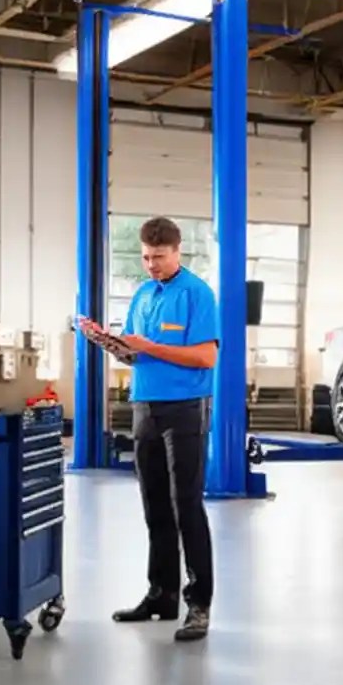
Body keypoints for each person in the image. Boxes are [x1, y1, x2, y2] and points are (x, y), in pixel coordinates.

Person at [98, 216, 219, 642]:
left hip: (186, 408)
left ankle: (198, 604)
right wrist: (110, 344)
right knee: (155, 508)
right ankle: (162, 594)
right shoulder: (143, 294)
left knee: (187, 505)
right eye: (146, 257)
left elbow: (206, 357)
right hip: (145, 406)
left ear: (178, 251)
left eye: (159, 257)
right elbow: (135, 355)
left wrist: (150, 346)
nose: (151, 265)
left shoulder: (197, 294)